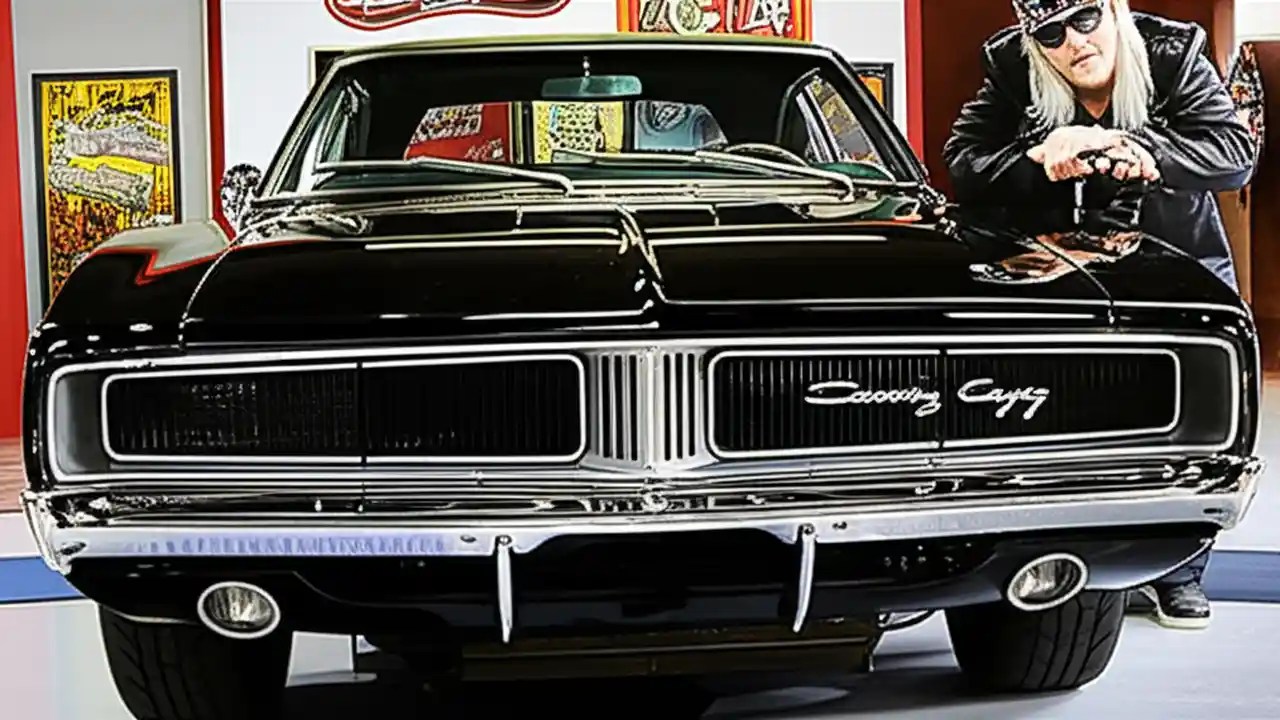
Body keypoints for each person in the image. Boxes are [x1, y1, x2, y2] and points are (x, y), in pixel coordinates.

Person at [942, 0, 1256, 629]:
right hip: (1061, 277)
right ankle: (1060, 559)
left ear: (1113, 11)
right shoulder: (1011, 65)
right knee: (1070, 420)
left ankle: (1179, 571)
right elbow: (962, 160)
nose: (1073, 44)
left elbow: (1232, 152)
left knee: (1187, 422)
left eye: (1085, 20)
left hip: (1172, 268)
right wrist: (1036, 156)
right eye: (1052, 34)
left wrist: (1142, 151)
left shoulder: (1172, 52)